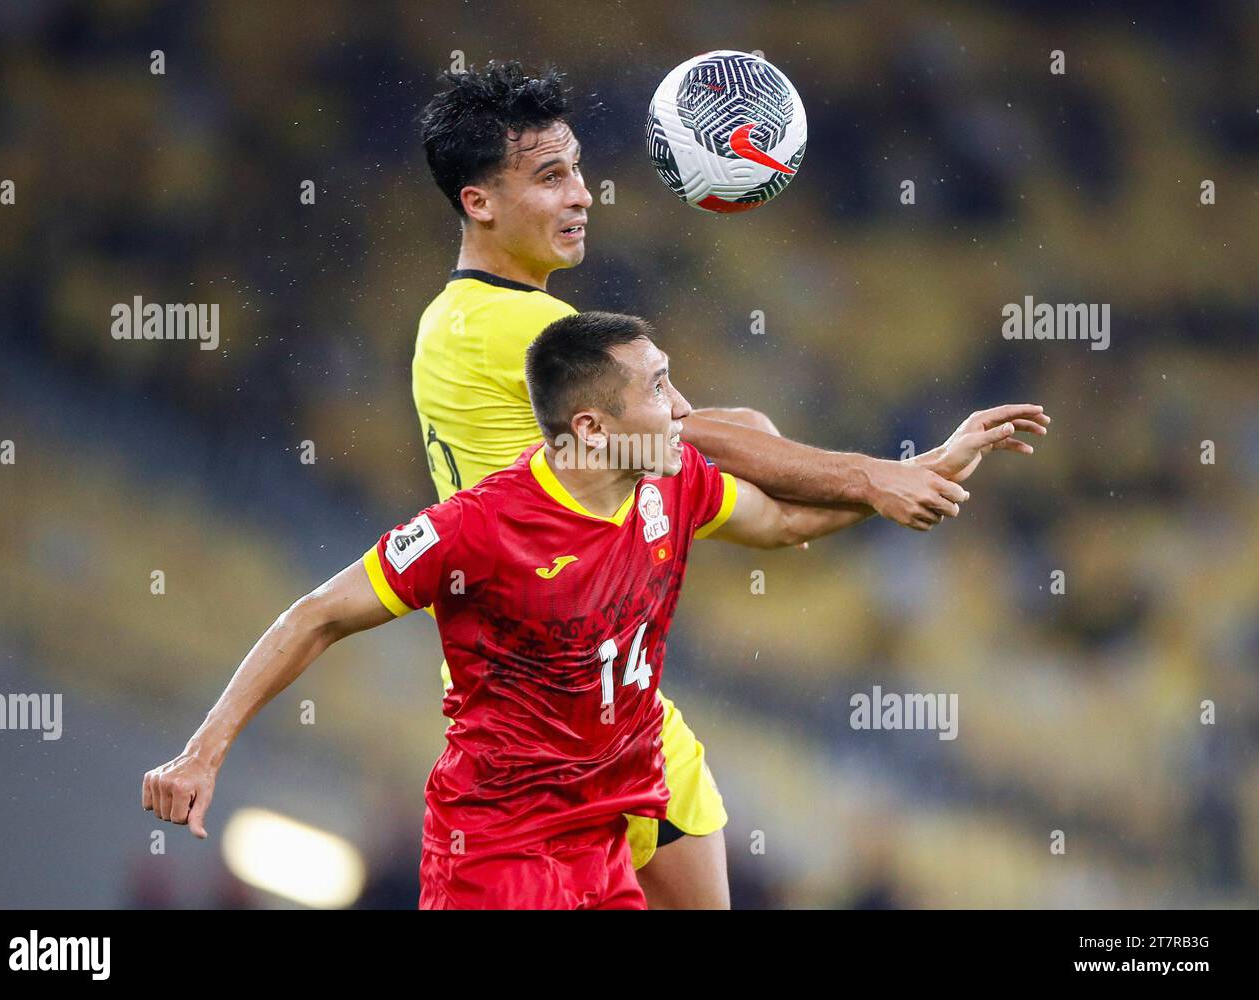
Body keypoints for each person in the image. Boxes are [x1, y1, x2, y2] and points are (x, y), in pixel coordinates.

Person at [409, 60, 1050, 906]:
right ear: (478, 201)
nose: (583, 195)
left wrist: (919, 471)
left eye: (579, 171)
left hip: (600, 698)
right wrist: (875, 473)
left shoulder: (473, 323)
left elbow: (753, 491)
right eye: (551, 176)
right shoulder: (524, 326)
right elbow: (690, 432)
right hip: (545, 723)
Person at [142, 310, 1045, 909]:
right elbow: (317, 614)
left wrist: (930, 463)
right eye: (658, 387)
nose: (684, 406)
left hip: (609, 837)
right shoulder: (479, 529)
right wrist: (203, 749)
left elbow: (781, 523)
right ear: (590, 428)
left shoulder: (673, 480)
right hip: (497, 850)